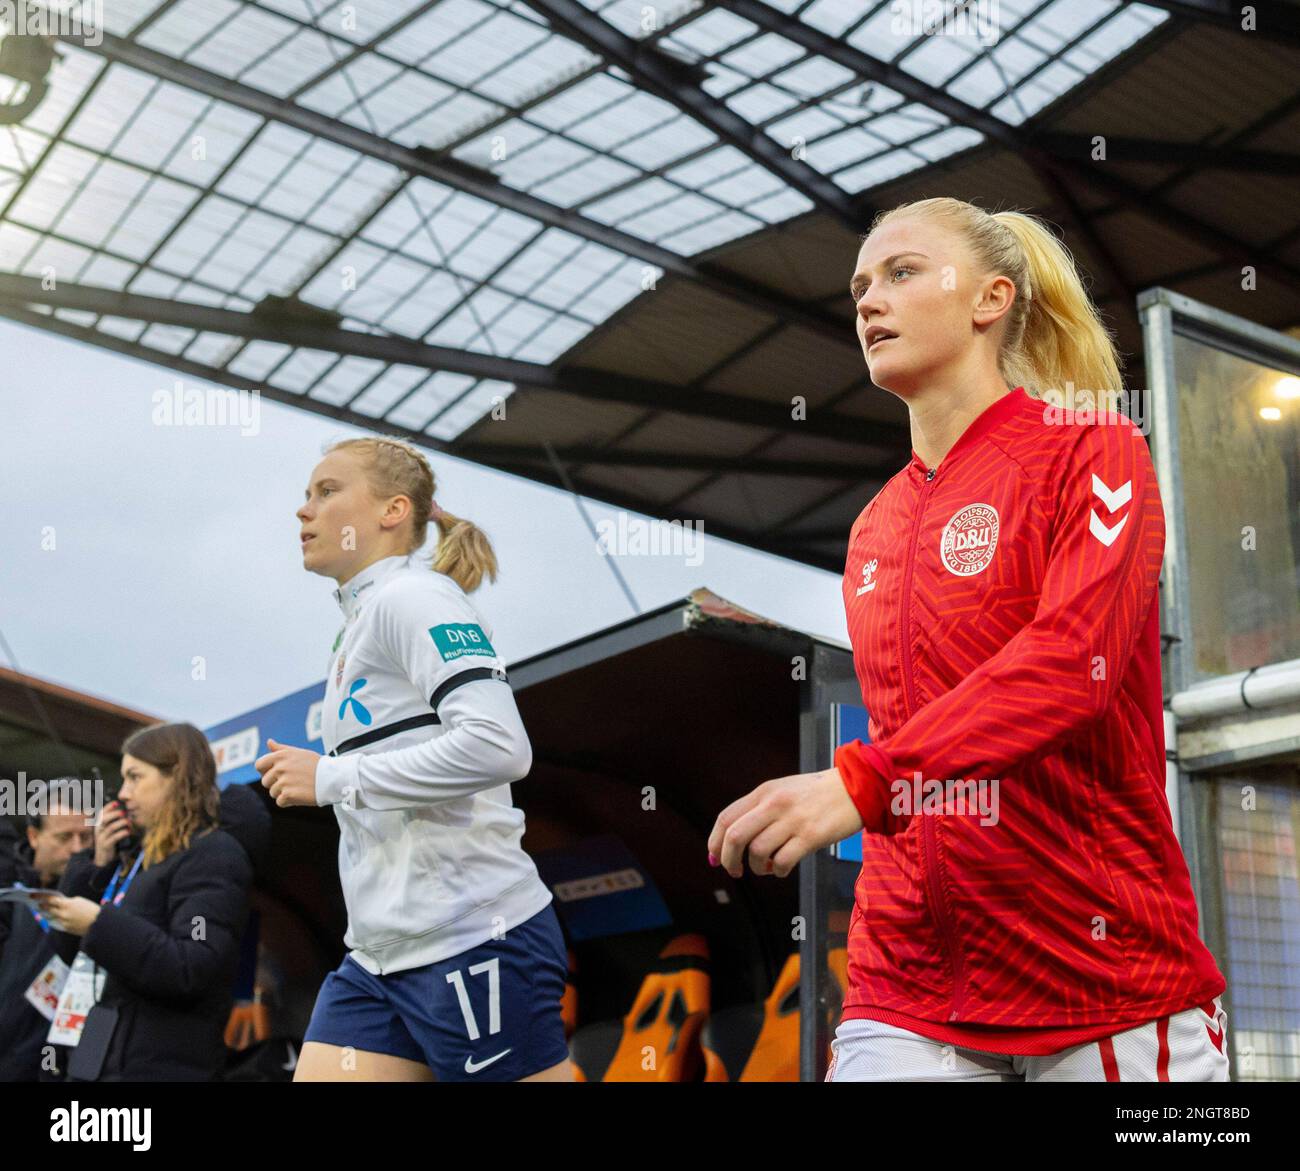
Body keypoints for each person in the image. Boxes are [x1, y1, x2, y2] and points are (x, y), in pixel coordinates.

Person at [707, 196, 1230, 1082]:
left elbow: (1073, 664)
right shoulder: (874, 526)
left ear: (990, 299)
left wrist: (863, 778)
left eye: (901, 273)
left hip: (1105, 981)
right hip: (905, 987)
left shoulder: (1095, 448)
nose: (869, 300)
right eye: (860, 285)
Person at [256, 436, 571, 1082]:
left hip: (476, 939)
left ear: (393, 510)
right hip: (375, 960)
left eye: (326, 490)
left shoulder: (413, 598)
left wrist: (332, 776)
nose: (303, 510)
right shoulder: (358, 622)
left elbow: (500, 744)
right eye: (306, 494)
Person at [36, 723, 255, 1081]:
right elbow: (69, 954)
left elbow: (191, 967)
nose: (123, 793)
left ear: (176, 776)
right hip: (99, 1059)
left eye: (135, 777)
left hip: (159, 1066)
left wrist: (99, 923)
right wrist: (96, 865)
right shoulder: (139, 857)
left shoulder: (214, 854)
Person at [0, 784, 94, 1080]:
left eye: (86, 836)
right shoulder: (10, 894)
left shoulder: (104, 898)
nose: (78, 849)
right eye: (65, 837)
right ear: (34, 836)